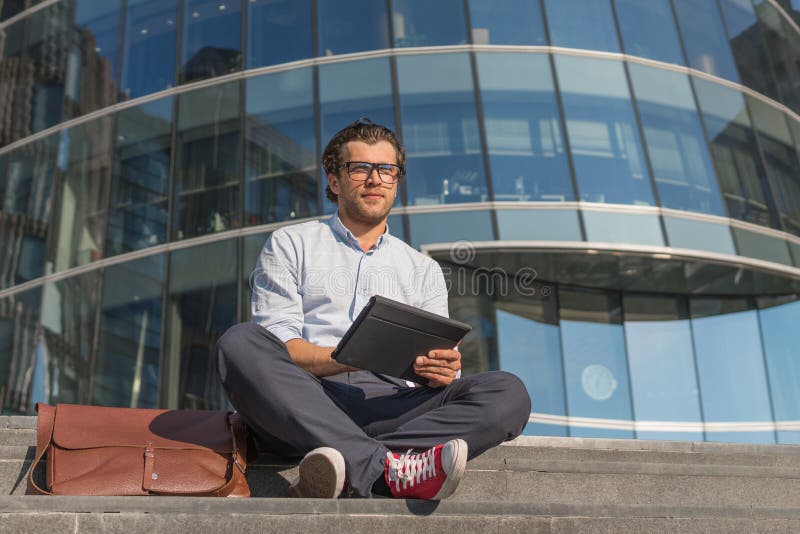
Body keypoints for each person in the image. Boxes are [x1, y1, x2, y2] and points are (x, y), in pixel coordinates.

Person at [216, 118, 531, 500]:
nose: (374, 179)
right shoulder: (290, 244)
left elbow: (442, 367)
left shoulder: (423, 269)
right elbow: (282, 347)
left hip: (392, 406)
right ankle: (385, 468)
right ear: (335, 181)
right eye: (360, 168)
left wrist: (443, 371)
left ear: (396, 182)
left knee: (507, 393)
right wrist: (353, 357)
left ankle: (345, 456)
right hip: (305, 397)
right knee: (240, 342)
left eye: (386, 169)